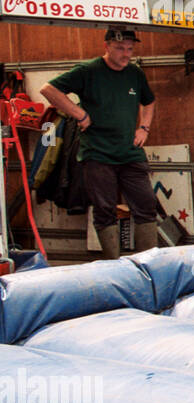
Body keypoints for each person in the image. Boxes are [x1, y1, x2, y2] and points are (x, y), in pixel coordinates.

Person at [39, 27, 158, 258]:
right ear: (107, 47)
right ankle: (113, 264)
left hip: (130, 153)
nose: (126, 54)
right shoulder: (88, 71)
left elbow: (150, 102)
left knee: (146, 205)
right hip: (98, 154)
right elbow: (48, 89)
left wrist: (144, 128)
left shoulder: (135, 73)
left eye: (130, 49)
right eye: (120, 48)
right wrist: (79, 114)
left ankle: (150, 264)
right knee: (104, 210)